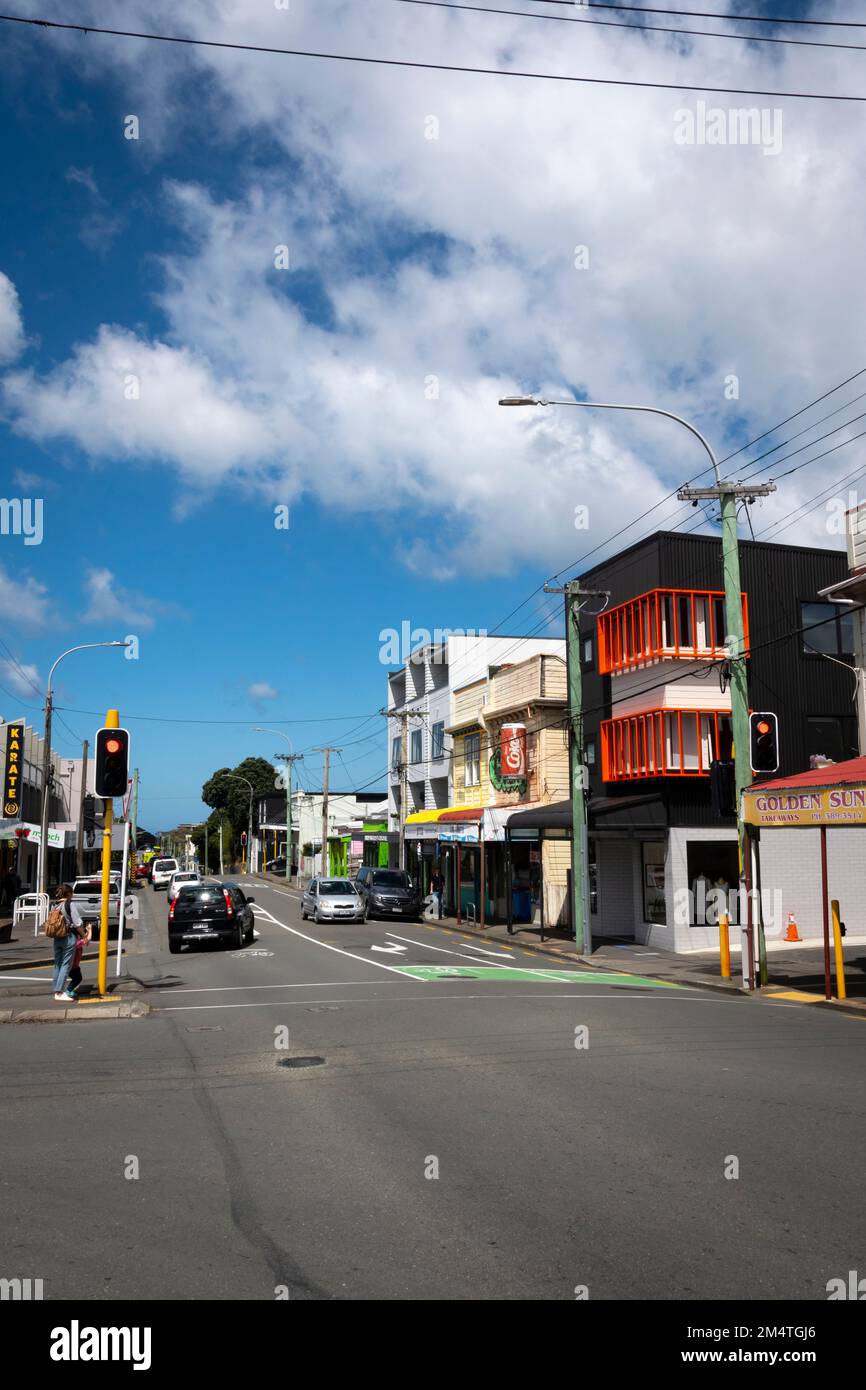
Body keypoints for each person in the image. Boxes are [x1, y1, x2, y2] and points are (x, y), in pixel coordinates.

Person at [50, 884, 82, 1003]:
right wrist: (84, 936)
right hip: (68, 937)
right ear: (68, 894)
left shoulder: (55, 905)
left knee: (57, 964)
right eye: (72, 893)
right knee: (66, 964)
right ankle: (59, 992)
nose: (72, 895)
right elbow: (77, 923)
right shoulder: (69, 904)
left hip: (57, 937)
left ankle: (56, 990)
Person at [67, 922, 92, 997]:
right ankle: (68, 991)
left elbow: (86, 939)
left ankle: (69, 990)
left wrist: (87, 931)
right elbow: (87, 939)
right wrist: (90, 930)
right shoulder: (75, 943)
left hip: (74, 966)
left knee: (77, 978)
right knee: (77, 979)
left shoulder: (75, 941)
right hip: (71, 967)